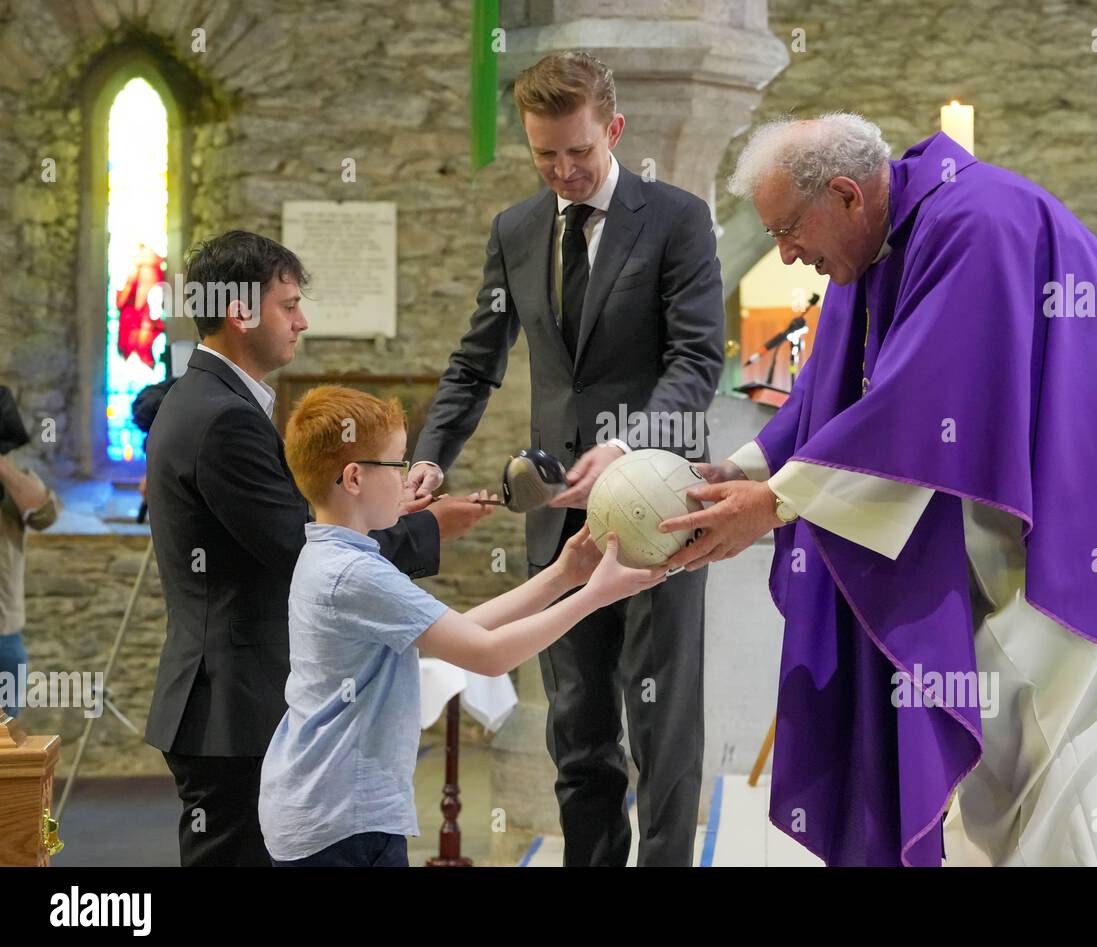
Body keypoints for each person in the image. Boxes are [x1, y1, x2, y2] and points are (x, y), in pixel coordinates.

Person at [659, 113, 1097, 866]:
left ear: (844, 194)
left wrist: (775, 505)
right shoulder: (877, 253)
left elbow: (926, 404)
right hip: (1066, 496)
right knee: (1021, 726)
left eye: (788, 230)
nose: (787, 253)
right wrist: (746, 471)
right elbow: (830, 401)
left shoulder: (976, 221)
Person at [404, 52, 725, 866]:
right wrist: (432, 457)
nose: (563, 169)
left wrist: (628, 442)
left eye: (578, 151)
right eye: (544, 154)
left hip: (661, 509)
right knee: (578, 733)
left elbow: (696, 361)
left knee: (661, 725)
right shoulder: (515, 231)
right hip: (559, 523)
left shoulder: (678, 219)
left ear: (613, 131)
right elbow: (478, 361)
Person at [143, 231, 495, 866]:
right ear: (239, 311)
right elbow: (300, 552)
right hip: (234, 701)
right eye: (289, 304)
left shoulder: (206, 398)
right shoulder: (221, 415)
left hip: (227, 695)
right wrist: (432, 527)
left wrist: (381, 502)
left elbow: (289, 524)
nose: (302, 321)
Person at [259, 385, 663, 866]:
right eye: (397, 464)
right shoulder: (353, 573)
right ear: (354, 478)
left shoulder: (337, 555)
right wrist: (596, 595)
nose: (408, 477)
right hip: (341, 821)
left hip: (332, 808)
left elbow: (462, 632)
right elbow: (489, 655)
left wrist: (565, 576)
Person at [0, 390, 63, 720]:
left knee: (5, 743)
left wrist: (2, 467)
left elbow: (44, 514)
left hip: (2, 633)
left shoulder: (12, 481)